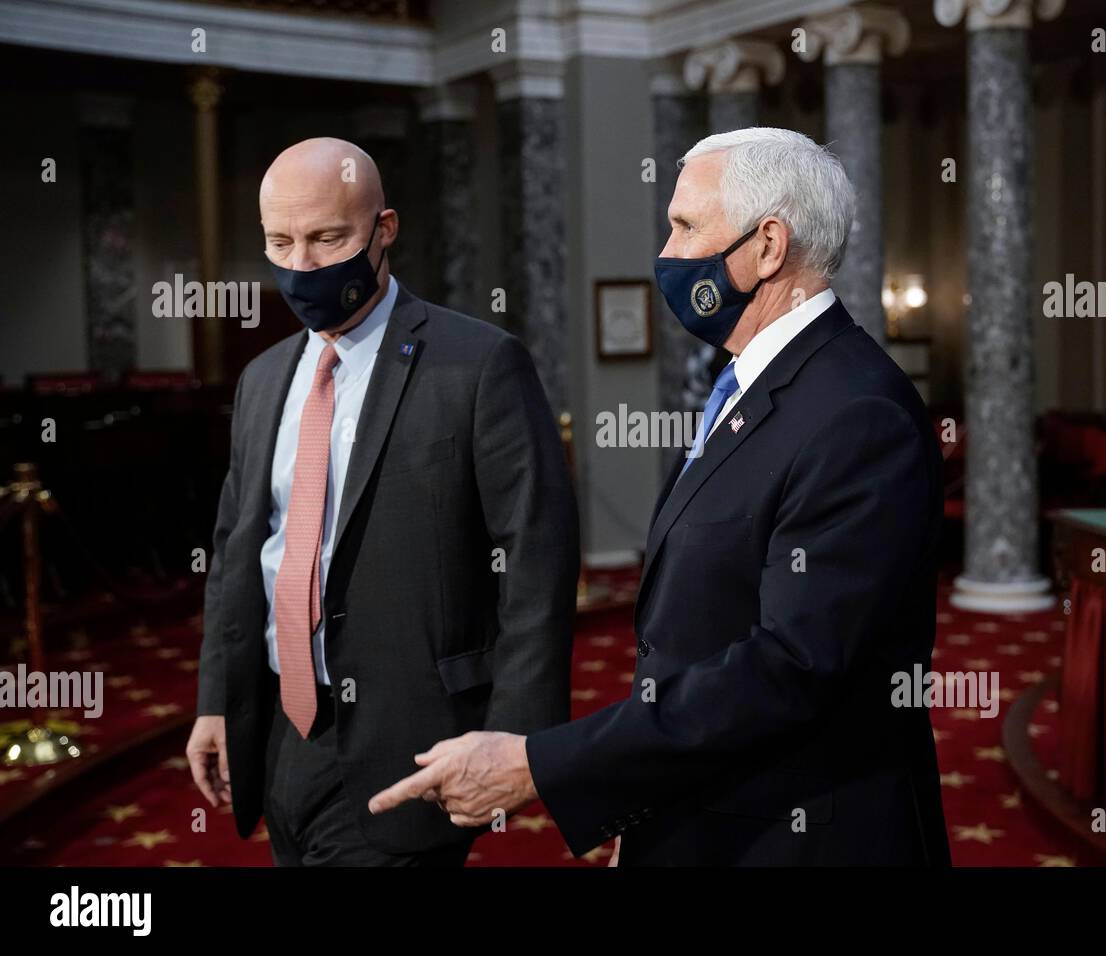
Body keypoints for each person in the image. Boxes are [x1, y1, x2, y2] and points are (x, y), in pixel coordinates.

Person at [370, 126, 950, 866]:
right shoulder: (752, 381)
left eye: (684, 227)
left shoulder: (857, 412)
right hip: (708, 811)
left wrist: (547, 767)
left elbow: (790, 668)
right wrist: (641, 804)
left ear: (767, 245)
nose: (668, 255)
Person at [186, 137, 578, 866]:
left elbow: (536, 555)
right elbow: (240, 547)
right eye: (281, 242)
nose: (301, 266)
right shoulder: (263, 379)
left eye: (328, 238)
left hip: (411, 738)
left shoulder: (479, 364)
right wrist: (216, 698)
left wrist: (520, 738)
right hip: (280, 732)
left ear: (383, 229)